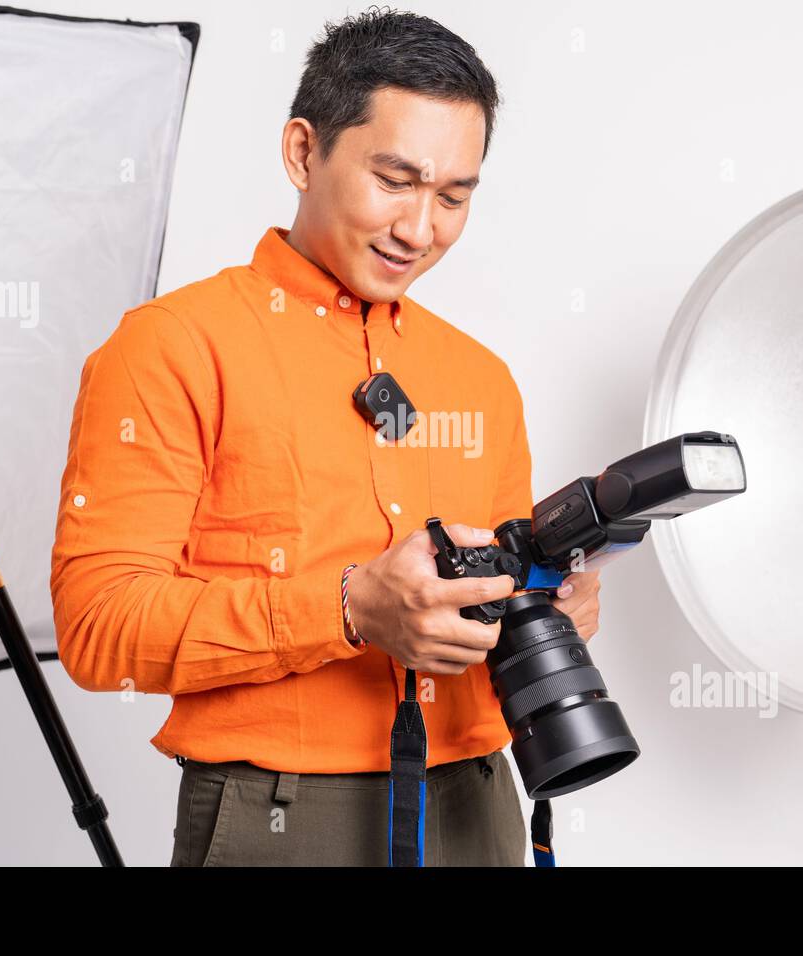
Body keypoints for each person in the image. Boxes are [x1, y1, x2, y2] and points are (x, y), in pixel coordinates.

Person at [50, 5, 601, 867]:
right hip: (280, 815)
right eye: (395, 180)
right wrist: (343, 609)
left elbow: (495, 584)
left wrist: (546, 604)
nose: (421, 229)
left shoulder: (482, 379)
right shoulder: (170, 347)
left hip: (482, 802)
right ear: (305, 152)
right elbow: (98, 630)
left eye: (454, 196)